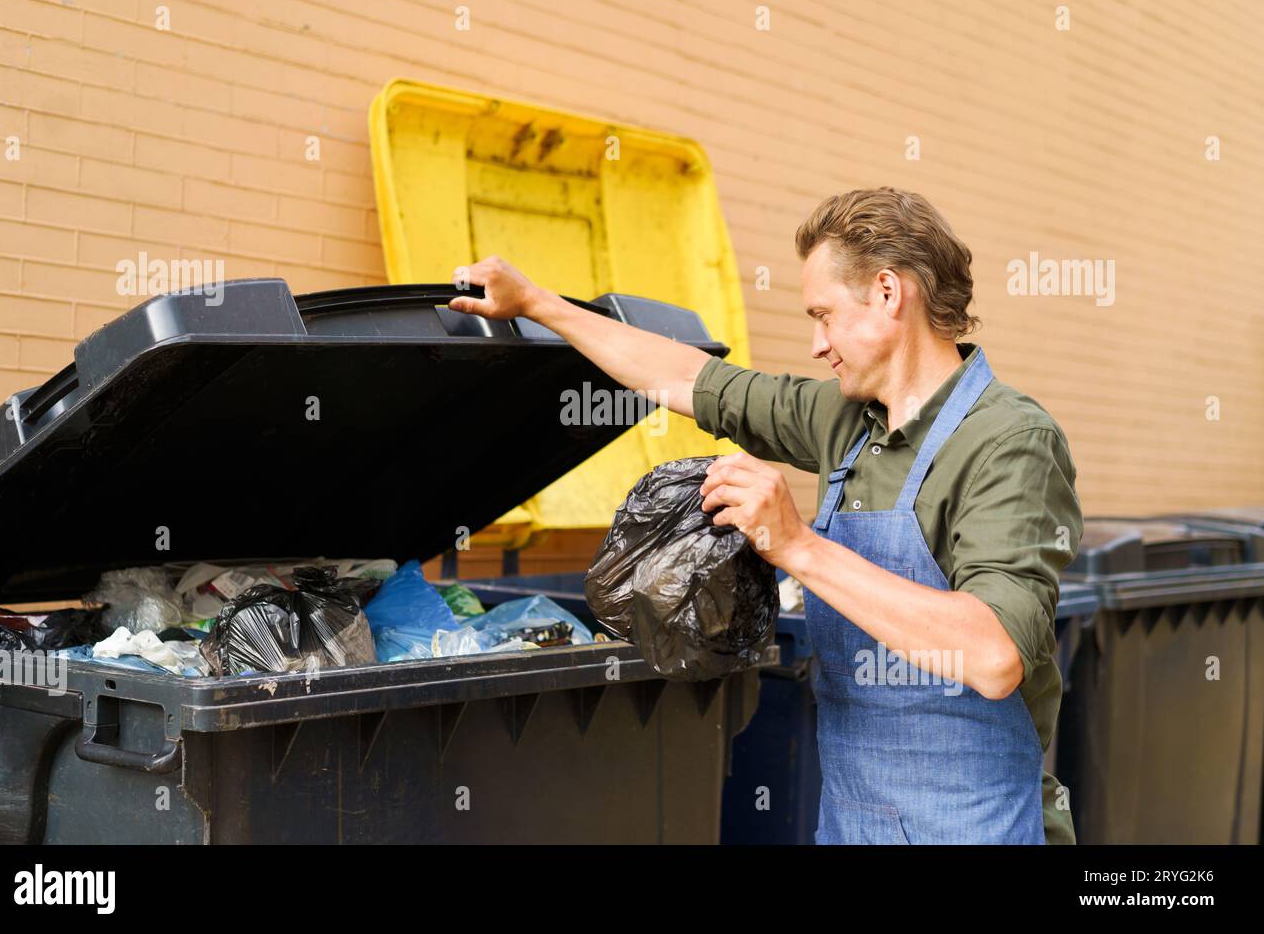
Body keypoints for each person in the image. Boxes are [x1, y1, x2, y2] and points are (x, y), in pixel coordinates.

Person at [449, 187, 1082, 845]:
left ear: (889, 294)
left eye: (824, 314)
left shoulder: (1010, 440)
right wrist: (538, 305)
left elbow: (992, 653)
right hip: (855, 820)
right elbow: (691, 381)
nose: (817, 345)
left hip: (976, 826)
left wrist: (798, 546)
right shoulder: (844, 419)